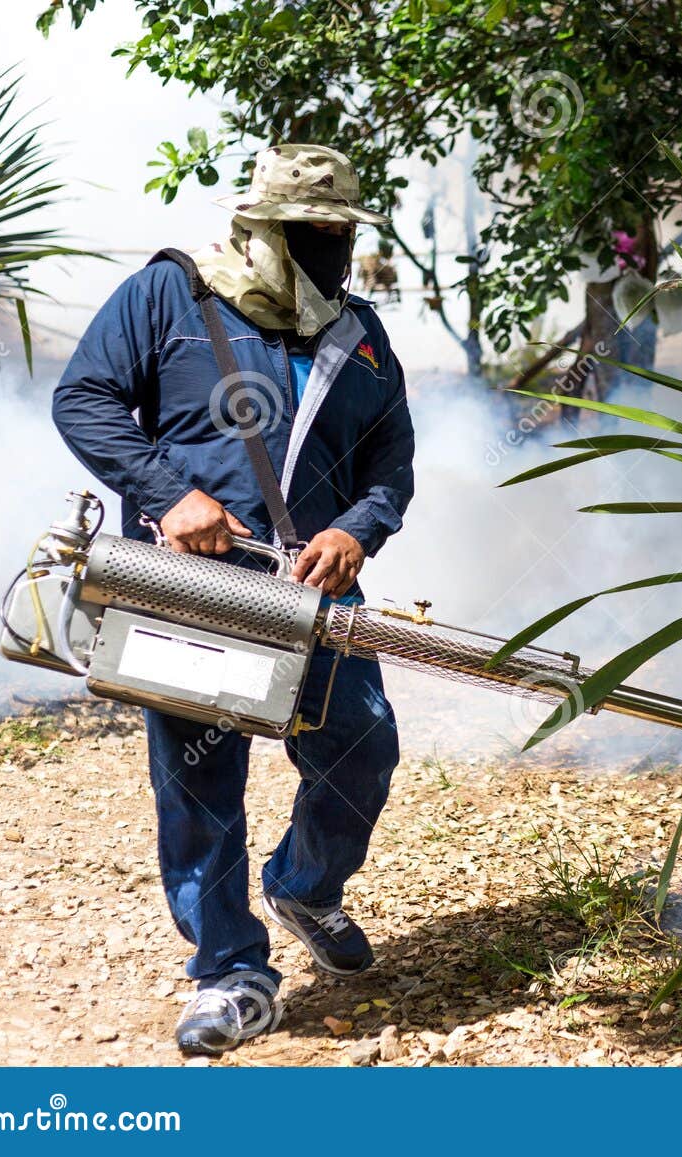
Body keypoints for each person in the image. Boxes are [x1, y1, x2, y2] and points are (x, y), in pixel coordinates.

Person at [51, 144, 415, 1055]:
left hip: (319, 591)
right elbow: (83, 399)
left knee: (362, 746)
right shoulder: (170, 294)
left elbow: (391, 462)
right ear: (261, 228)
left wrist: (356, 531)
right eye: (311, 233)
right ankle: (230, 970)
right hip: (194, 587)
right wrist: (168, 494)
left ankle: (305, 886)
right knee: (199, 779)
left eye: (341, 232)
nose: (330, 248)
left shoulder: (360, 331)